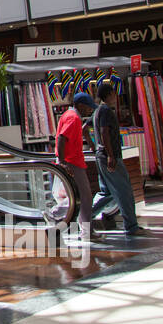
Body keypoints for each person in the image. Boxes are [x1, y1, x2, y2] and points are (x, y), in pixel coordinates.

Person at [93, 81, 142, 236]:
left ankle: (83, 216)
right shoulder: (106, 110)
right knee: (124, 191)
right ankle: (131, 226)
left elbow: (86, 129)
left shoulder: (97, 111)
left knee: (106, 193)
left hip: (100, 155)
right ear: (109, 95)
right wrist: (111, 155)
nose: (115, 97)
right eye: (114, 94)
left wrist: (96, 148)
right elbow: (104, 132)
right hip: (110, 156)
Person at [56, 92, 95, 240]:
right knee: (85, 197)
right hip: (73, 161)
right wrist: (62, 161)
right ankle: (86, 231)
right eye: (87, 107)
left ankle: (54, 214)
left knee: (78, 195)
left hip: (72, 160)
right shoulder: (73, 118)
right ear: (80, 105)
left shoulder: (68, 115)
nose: (89, 110)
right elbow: (62, 138)